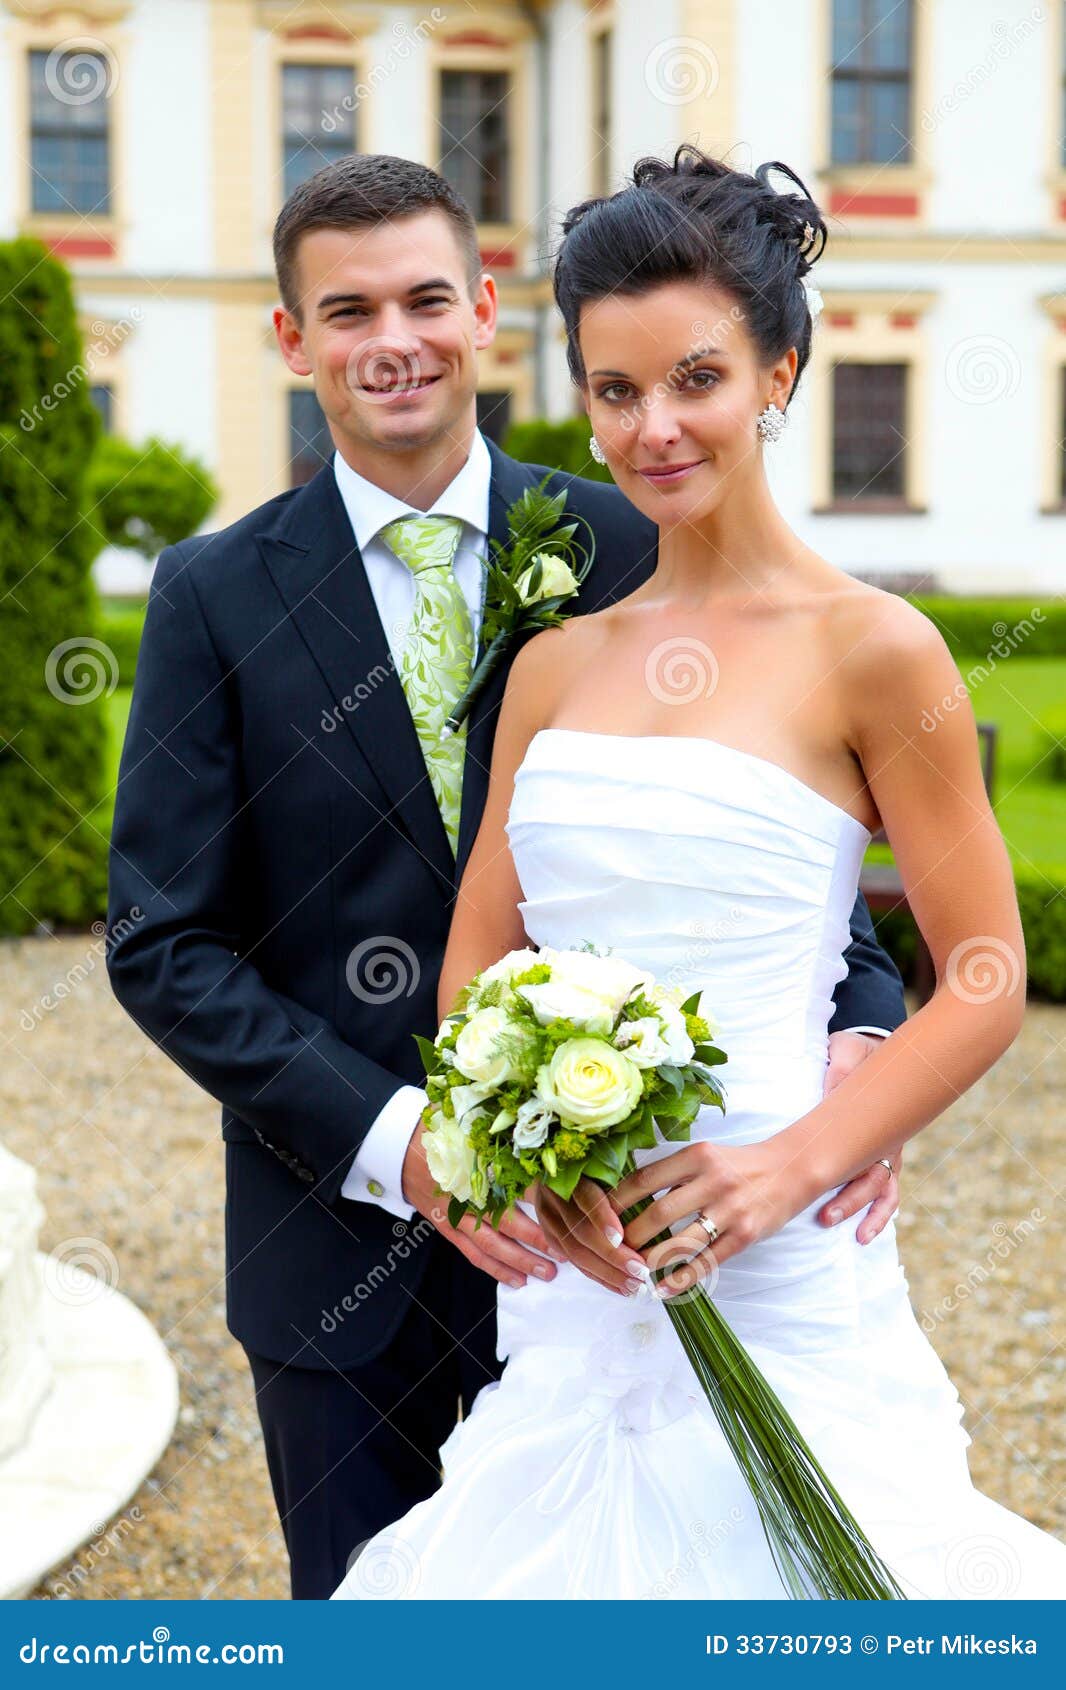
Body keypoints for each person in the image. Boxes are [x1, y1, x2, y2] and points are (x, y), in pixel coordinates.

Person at [105, 152, 906, 1601]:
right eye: (345, 311)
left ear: (483, 311)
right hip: (335, 1260)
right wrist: (412, 1138)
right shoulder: (209, 595)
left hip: (650, 1253)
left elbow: (771, 821)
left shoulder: (631, 526)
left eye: (424, 296)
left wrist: (854, 1041)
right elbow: (165, 943)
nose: (391, 338)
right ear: (292, 341)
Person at [332, 149, 1066, 1601]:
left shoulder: (877, 650)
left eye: (695, 379)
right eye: (614, 391)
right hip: (582, 1280)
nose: (653, 426)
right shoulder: (550, 666)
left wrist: (796, 1158)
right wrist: (525, 1155)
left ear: (779, 370)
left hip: (783, 1261)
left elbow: (983, 974)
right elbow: (477, 960)